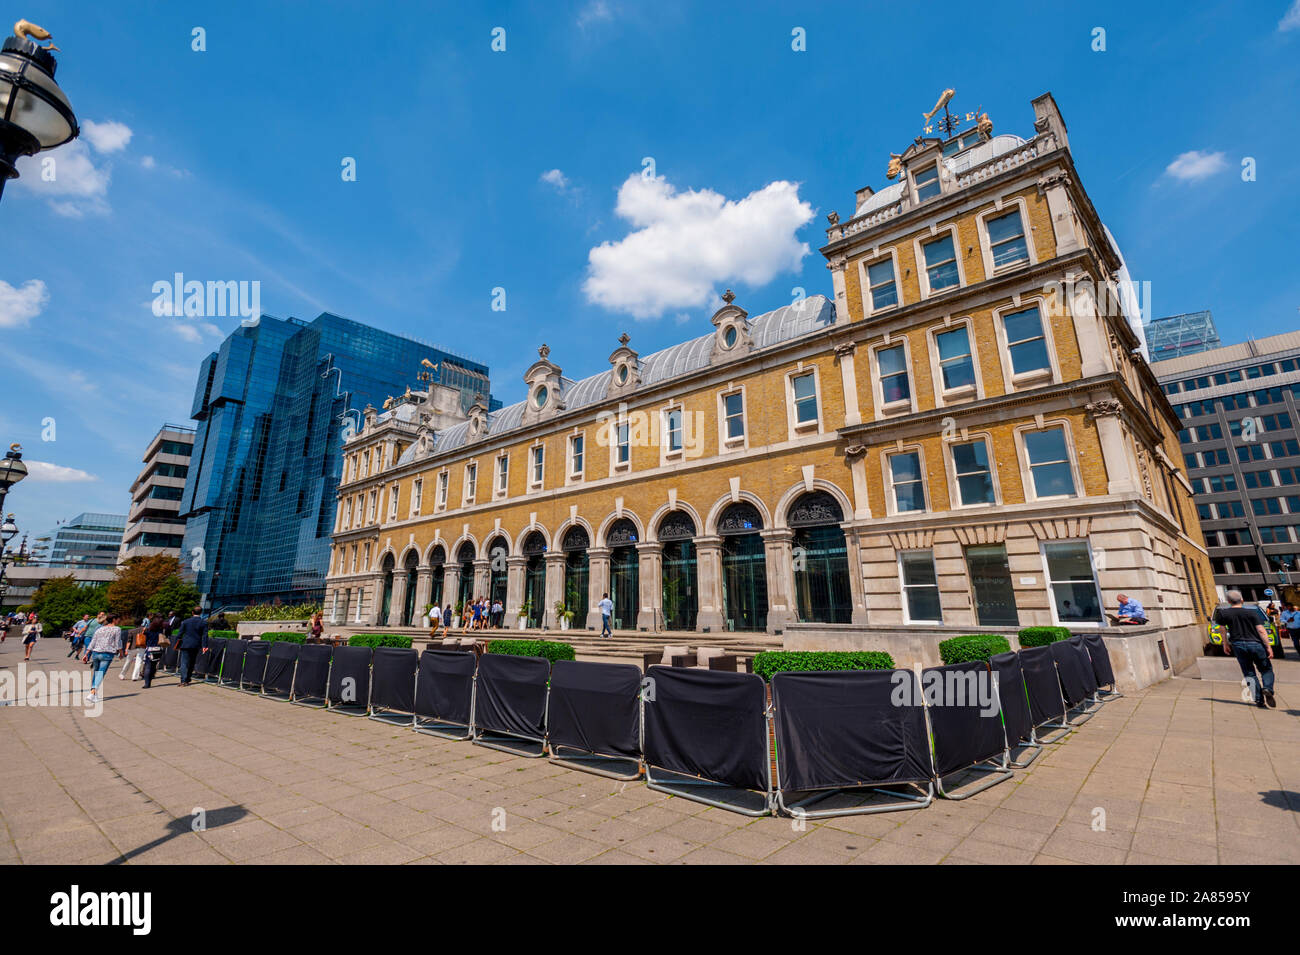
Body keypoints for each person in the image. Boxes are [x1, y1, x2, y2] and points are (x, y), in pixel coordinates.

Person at [1214, 590, 1276, 709]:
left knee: (1249, 673)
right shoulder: (1252, 613)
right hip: (1256, 644)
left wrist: (1225, 644)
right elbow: (1261, 630)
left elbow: (1222, 629)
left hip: (1238, 645)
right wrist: (1268, 647)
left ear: (1228, 601)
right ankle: (1267, 688)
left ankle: (1259, 700)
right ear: (1242, 600)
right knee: (1266, 669)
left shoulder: (1223, 613)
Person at [84, 613, 126, 705]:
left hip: (95, 653)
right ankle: (92, 693)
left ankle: (93, 693)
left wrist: (87, 653)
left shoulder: (100, 629)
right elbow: (118, 642)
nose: (119, 621)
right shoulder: (117, 629)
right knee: (100, 674)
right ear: (114, 619)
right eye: (118, 619)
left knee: (96, 673)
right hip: (107, 654)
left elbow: (93, 641)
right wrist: (121, 653)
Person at [175, 606, 209, 686]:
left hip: (185, 644)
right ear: (201, 613)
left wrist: (178, 641)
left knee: (184, 663)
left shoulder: (185, 621)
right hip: (196, 645)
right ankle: (187, 679)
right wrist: (205, 646)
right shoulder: (203, 622)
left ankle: (183, 680)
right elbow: (205, 635)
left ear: (192, 612)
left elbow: (180, 634)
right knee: (192, 662)